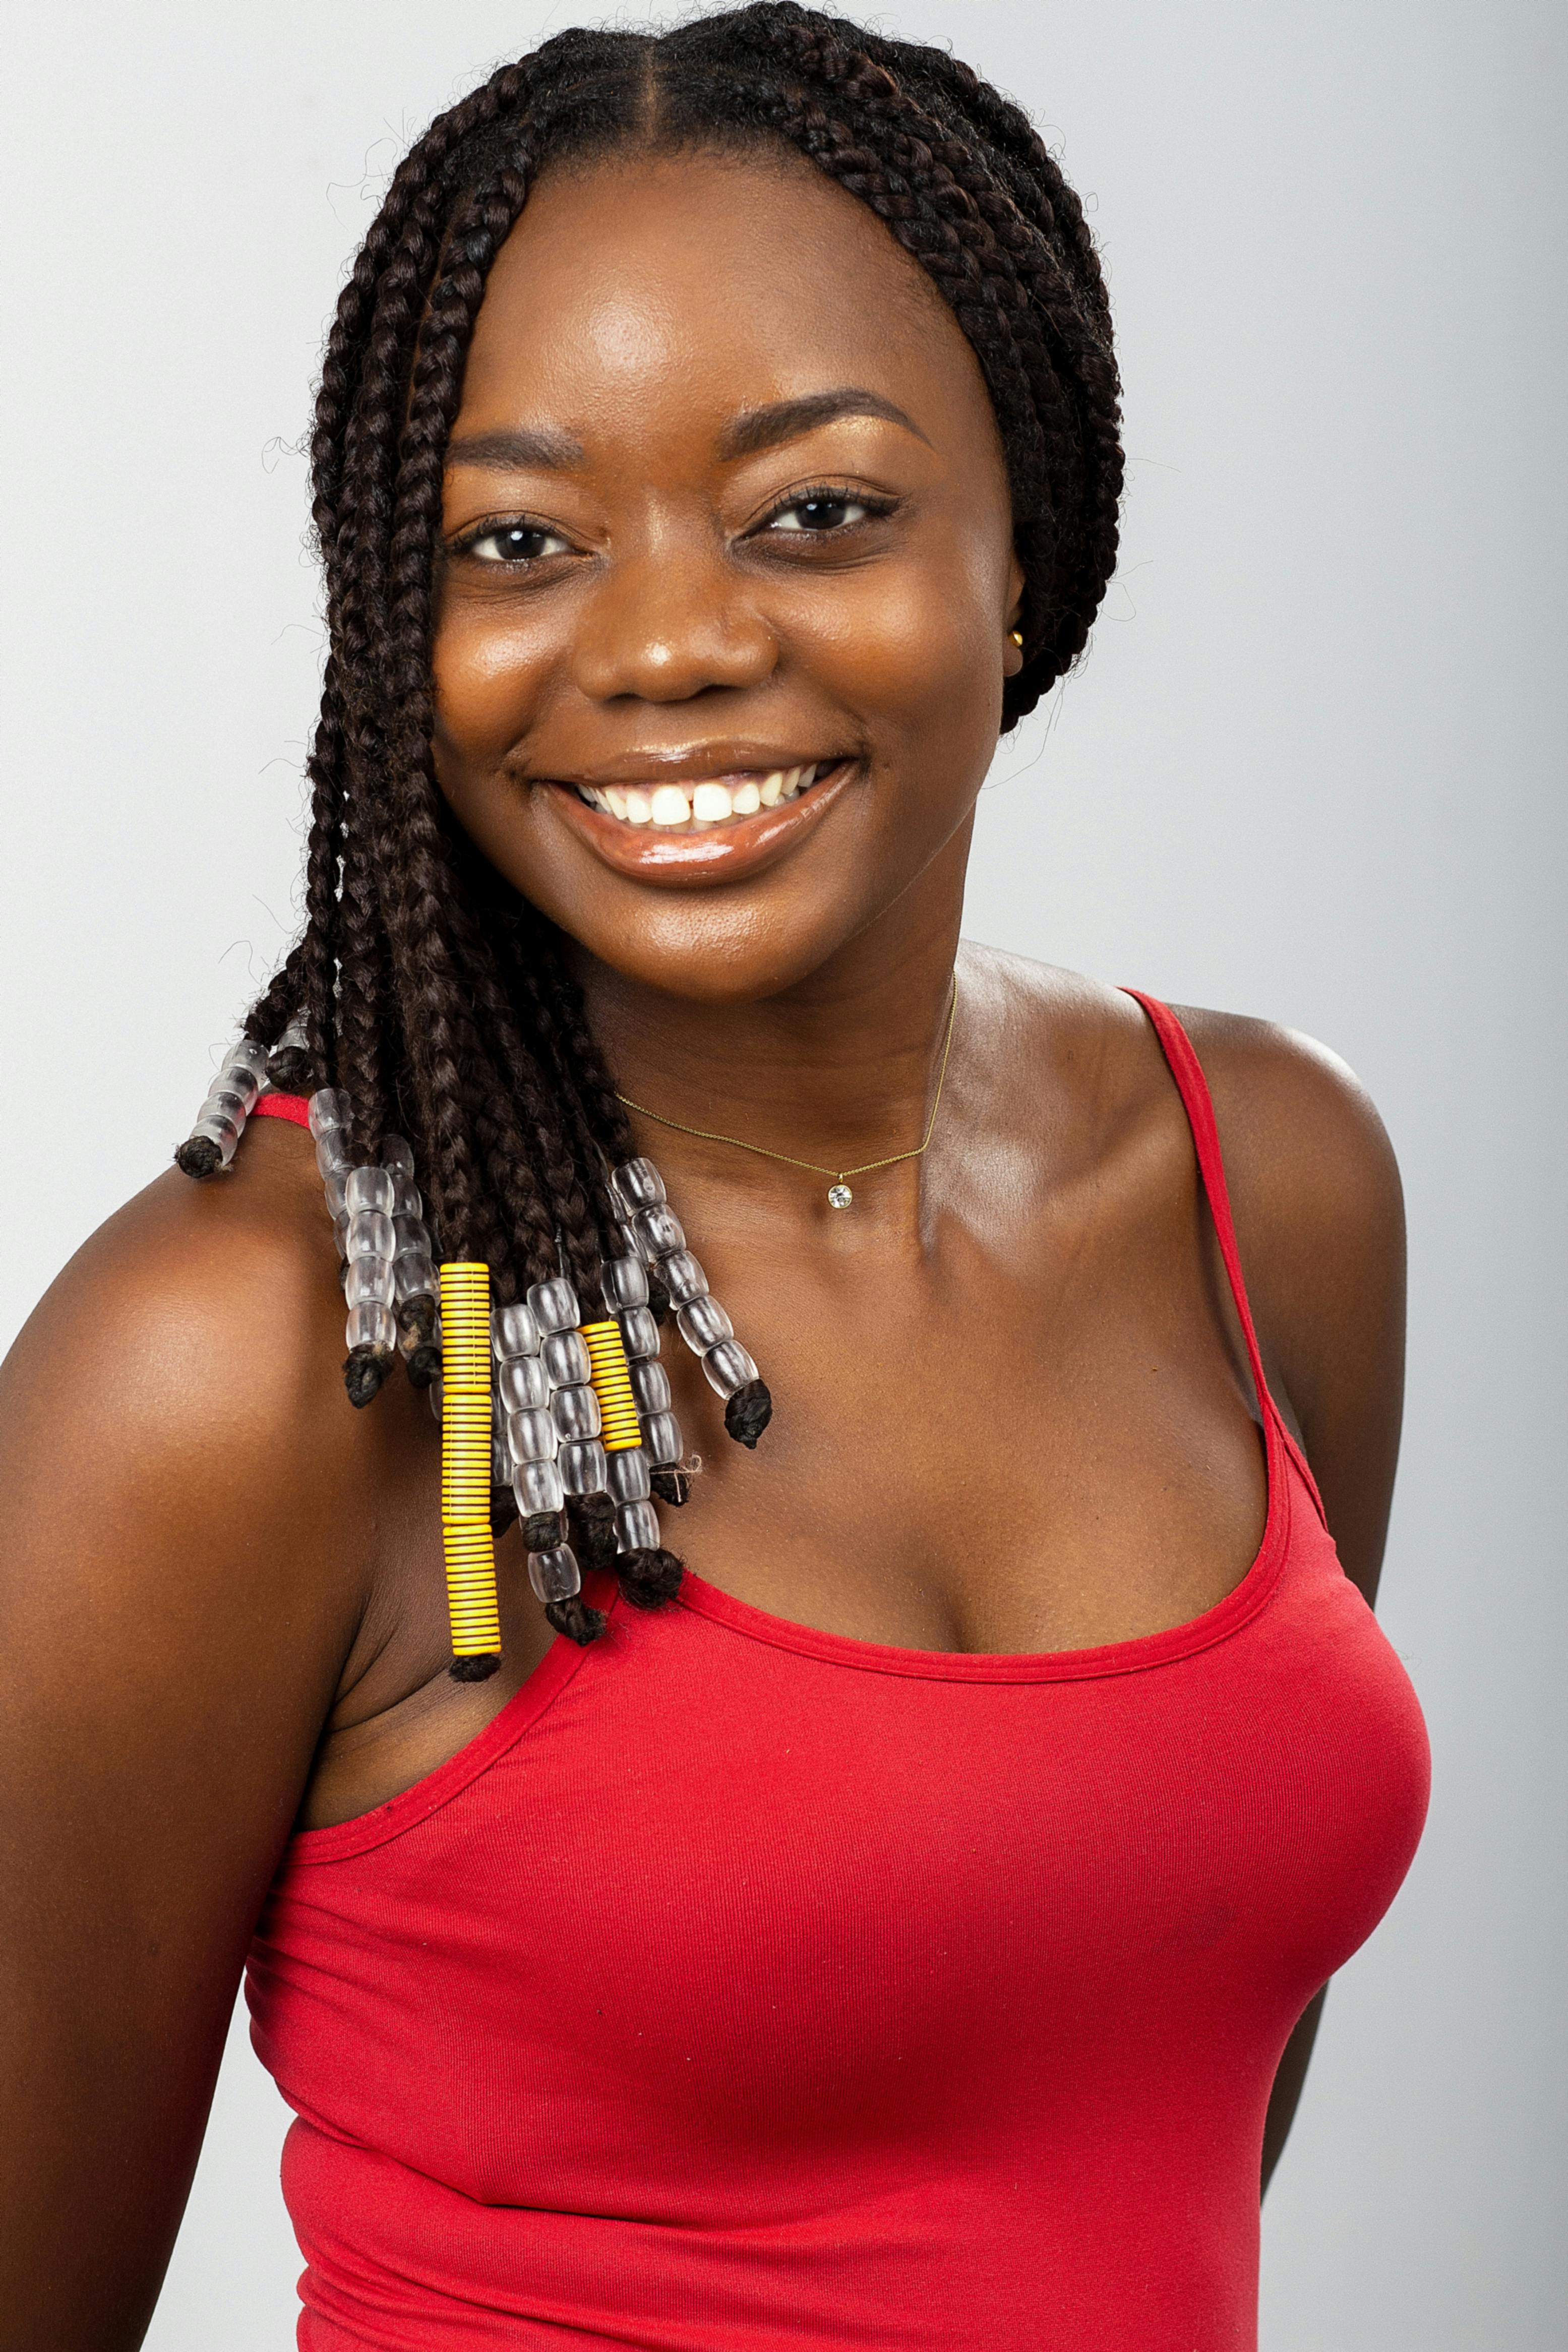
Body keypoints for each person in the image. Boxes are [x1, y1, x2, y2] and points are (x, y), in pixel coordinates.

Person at [0, 7, 1429, 2346]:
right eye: (517, 540)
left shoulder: (1266, 1182)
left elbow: (1139, 2104)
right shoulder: (262, 1356)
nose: (667, 645)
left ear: (1028, 541)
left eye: (816, 512)